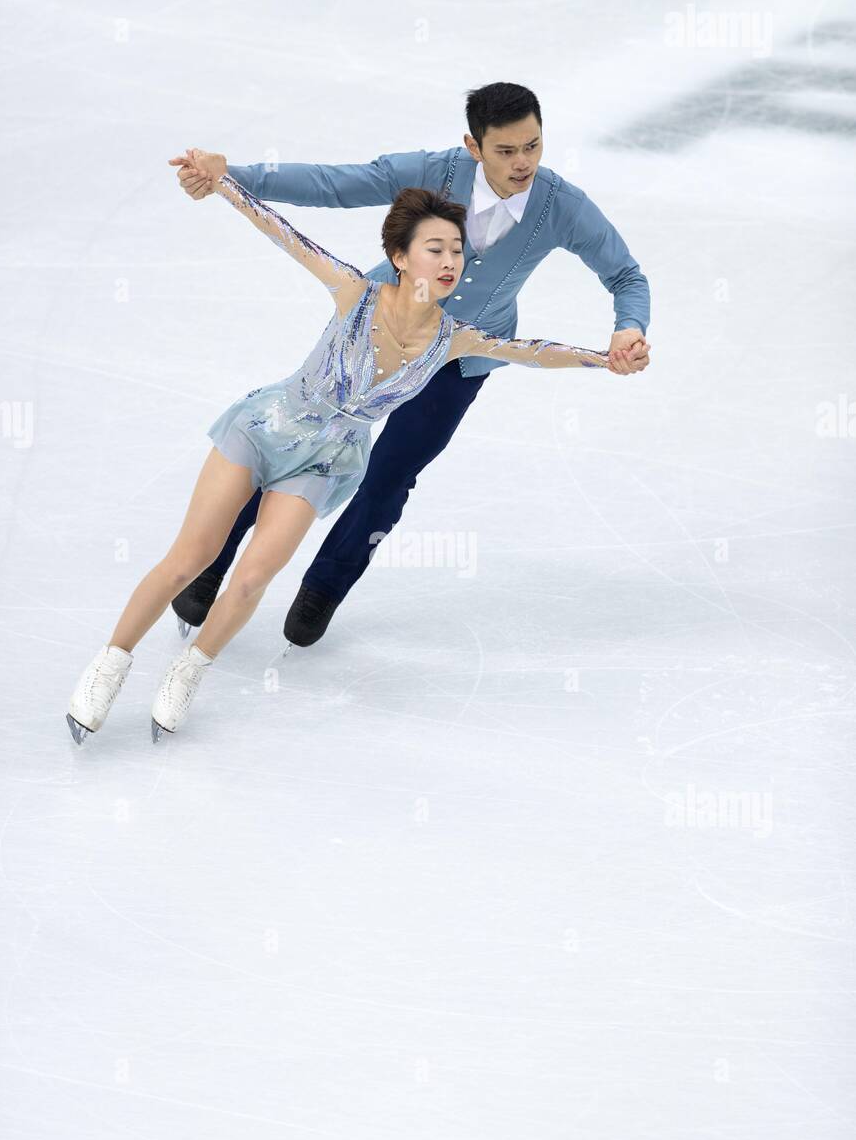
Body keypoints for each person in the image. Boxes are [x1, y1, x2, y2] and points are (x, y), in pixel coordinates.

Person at [65, 150, 645, 745]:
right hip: (266, 428)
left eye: (456, 251)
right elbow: (281, 231)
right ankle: (110, 662)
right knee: (191, 557)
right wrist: (224, 181)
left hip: (322, 463)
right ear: (399, 257)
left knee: (252, 578)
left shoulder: (458, 341)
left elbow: (534, 352)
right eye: (435, 249)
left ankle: (188, 671)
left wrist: (608, 360)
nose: (450, 262)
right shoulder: (353, 290)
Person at [169, 81, 651, 648]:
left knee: (392, 474)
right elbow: (336, 185)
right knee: (296, 443)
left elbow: (626, 275)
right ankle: (210, 562)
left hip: (462, 357)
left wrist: (629, 327)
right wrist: (234, 177)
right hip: (375, 333)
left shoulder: (561, 206)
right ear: (473, 146)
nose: (523, 163)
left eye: (533, 146)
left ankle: (325, 585)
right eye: (506, 150)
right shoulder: (433, 171)